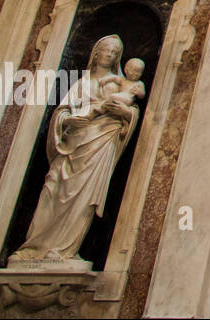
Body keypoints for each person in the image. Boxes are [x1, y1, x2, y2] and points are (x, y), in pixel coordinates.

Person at [10, 36, 141, 264]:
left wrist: (126, 113)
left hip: (101, 141)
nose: (109, 55)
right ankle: (34, 247)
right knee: (51, 189)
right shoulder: (82, 82)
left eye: (114, 52)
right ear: (96, 53)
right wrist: (71, 120)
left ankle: (64, 250)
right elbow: (62, 113)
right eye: (106, 50)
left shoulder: (121, 84)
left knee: (85, 197)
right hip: (73, 143)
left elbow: (131, 112)